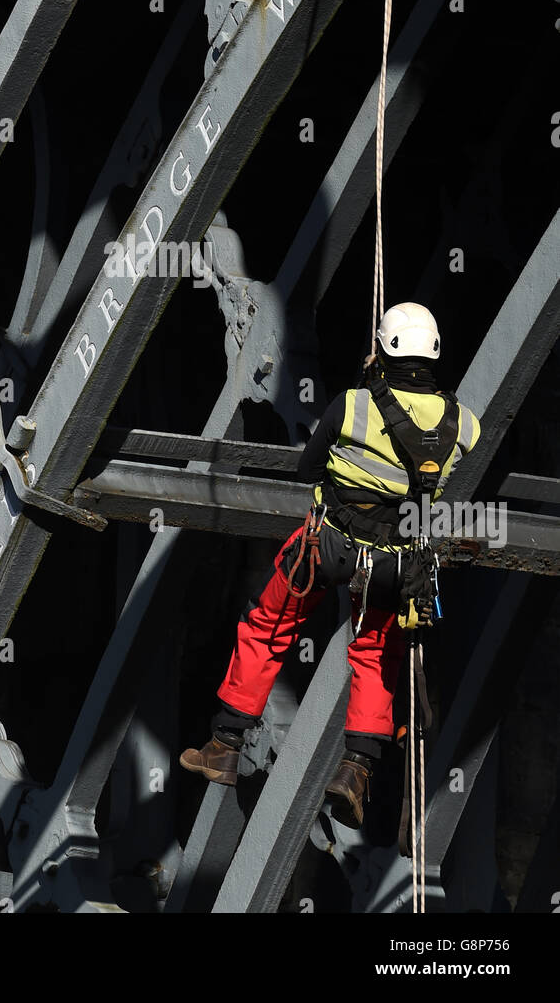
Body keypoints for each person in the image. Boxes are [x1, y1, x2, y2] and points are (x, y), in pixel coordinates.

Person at [180, 303, 480, 827]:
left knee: (269, 626)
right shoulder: (463, 423)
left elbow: (307, 468)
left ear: (383, 350)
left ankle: (224, 745)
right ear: (434, 354)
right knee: (373, 655)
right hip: (394, 563)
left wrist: (368, 389)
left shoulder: (352, 405)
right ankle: (356, 770)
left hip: (329, 545)